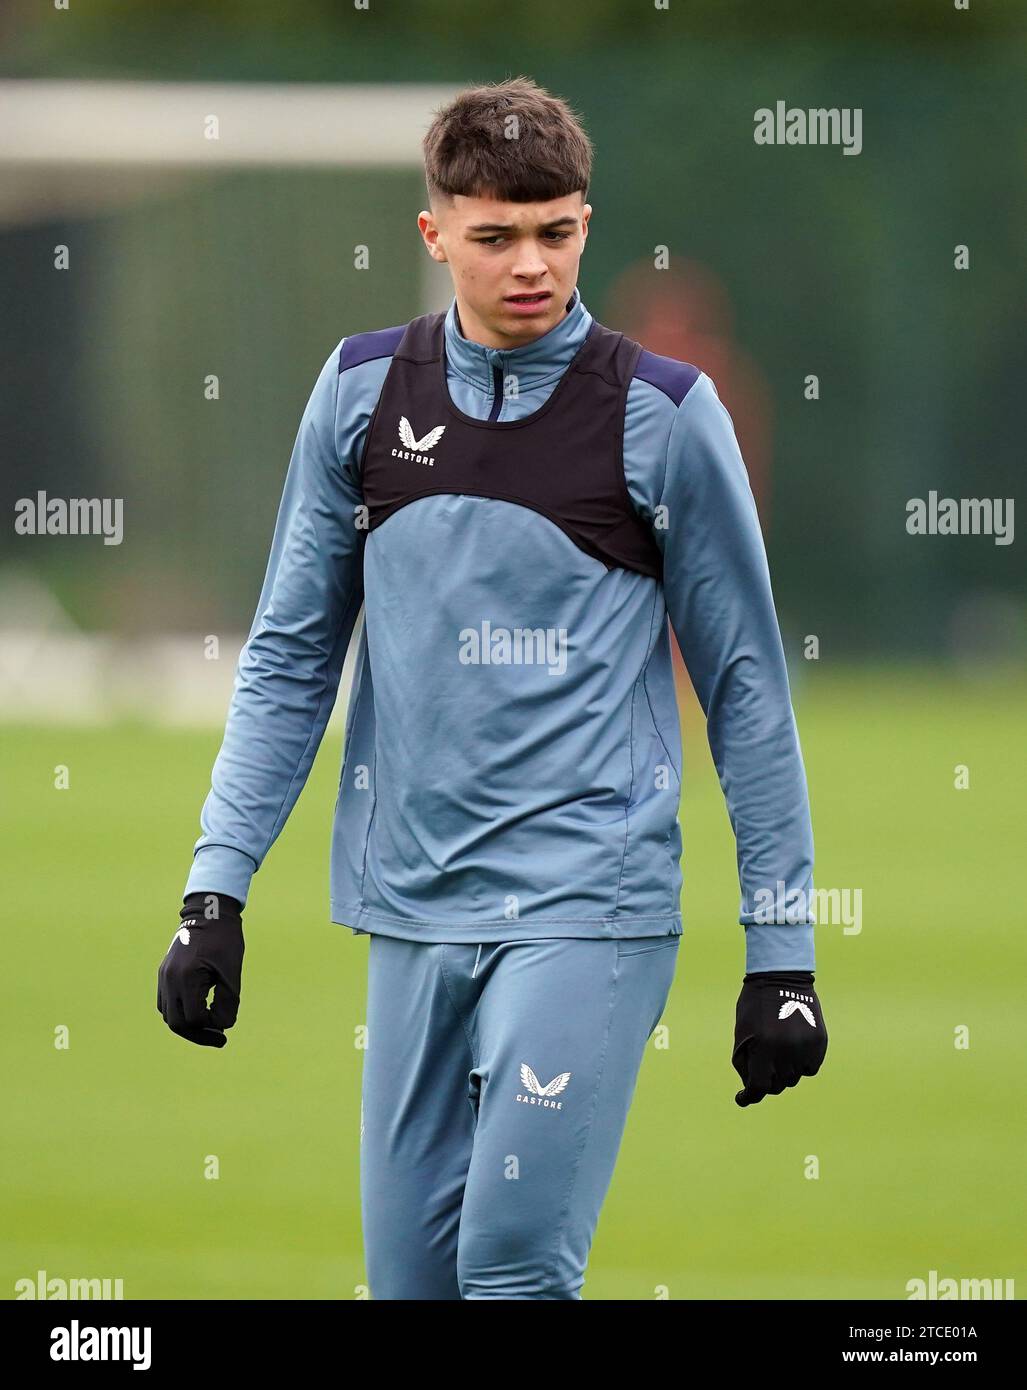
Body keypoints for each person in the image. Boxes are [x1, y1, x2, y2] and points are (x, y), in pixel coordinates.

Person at [157, 75, 828, 1301]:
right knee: (413, 1287)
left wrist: (782, 954)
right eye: (497, 235)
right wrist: (216, 886)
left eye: (558, 231)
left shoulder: (664, 415)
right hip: (410, 911)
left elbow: (745, 689)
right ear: (434, 235)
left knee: (513, 1269)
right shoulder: (358, 396)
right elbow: (291, 653)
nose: (533, 263)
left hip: (587, 900)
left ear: (586, 223)